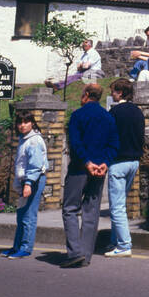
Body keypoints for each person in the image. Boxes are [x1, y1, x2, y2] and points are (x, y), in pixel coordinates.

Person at [61, 85, 119, 267]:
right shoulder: (108, 116)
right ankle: (85, 255)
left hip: (80, 169)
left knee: (70, 209)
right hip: (99, 170)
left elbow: (75, 143)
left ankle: (74, 253)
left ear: (86, 95)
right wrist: (105, 163)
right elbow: (114, 143)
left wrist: (87, 162)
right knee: (91, 211)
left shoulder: (78, 115)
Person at [105, 78, 145, 258]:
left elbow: (108, 137)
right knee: (120, 203)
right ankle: (115, 240)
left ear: (120, 93)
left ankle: (123, 245)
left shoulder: (114, 112)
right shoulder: (138, 112)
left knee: (117, 206)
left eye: (113, 91)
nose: (112, 94)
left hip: (118, 162)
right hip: (134, 161)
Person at [1, 109, 48, 258]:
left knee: (28, 215)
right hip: (25, 180)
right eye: (20, 122)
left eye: (26, 122)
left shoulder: (34, 140)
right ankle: (17, 246)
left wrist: (28, 183)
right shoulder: (24, 139)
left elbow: (35, 166)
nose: (22, 125)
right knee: (21, 214)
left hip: (33, 180)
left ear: (32, 123)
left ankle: (26, 248)